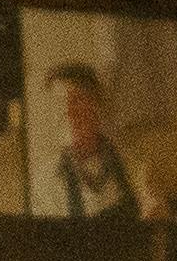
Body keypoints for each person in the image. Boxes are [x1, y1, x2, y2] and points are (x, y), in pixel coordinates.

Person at [39, 58, 149, 218]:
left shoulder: (132, 163)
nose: (68, 112)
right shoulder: (44, 183)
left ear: (95, 106)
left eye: (76, 100)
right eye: (59, 103)